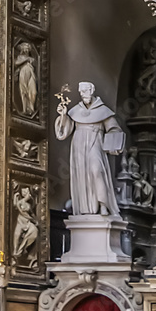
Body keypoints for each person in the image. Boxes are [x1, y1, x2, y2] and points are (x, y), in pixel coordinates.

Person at [54, 82, 124, 216]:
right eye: (81, 92)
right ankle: (85, 209)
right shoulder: (76, 111)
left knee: (96, 170)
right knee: (82, 174)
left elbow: (114, 128)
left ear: (92, 90)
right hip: (79, 145)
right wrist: (63, 115)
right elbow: (65, 131)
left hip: (95, 142)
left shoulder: (102, 110)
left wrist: (112, 139)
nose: (83, 94)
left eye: (85, 91)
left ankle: (103, 204)